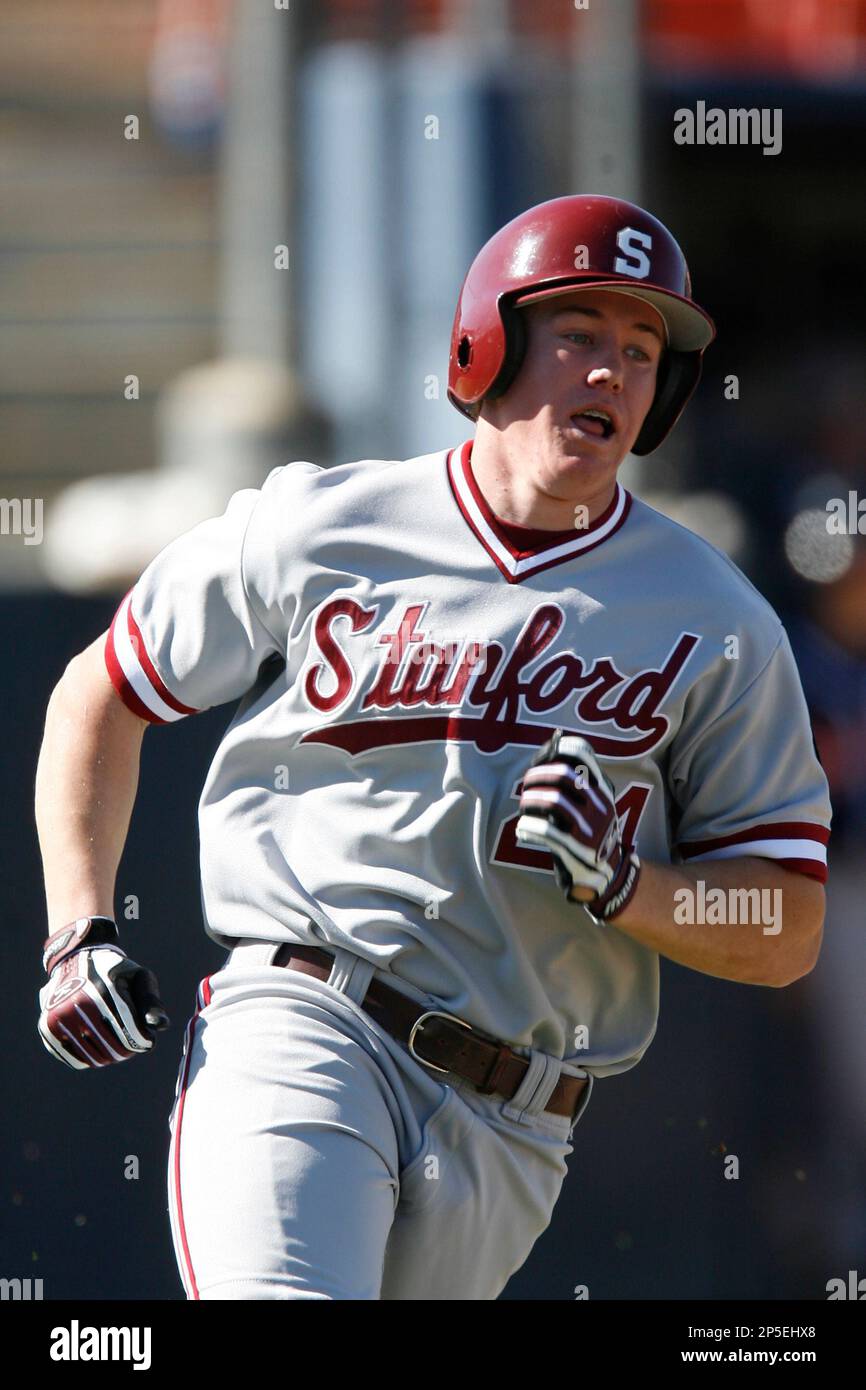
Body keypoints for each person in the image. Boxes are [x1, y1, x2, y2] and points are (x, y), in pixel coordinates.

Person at [34, 195, 830, 1301]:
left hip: (517, 1116)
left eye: (641, 351)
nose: (611, 372)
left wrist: (632, 888)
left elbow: (782, 923)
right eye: (579, 336)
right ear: (487, 342)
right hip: (308, 1016)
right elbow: (99, 692)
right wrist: (78, 928)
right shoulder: (322, 524)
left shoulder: (717, 617)